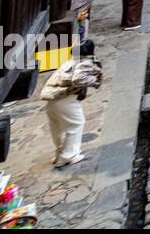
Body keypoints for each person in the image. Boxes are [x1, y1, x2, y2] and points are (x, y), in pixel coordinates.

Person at [39, 40, 103, 168]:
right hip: (66, 98)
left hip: (52, 98)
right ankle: (68, 156)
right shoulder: (85, 63)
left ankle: (59, 153)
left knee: (57, 127)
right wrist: (95, 80)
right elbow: (78, 79)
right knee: (76, 124)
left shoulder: (69, 62)